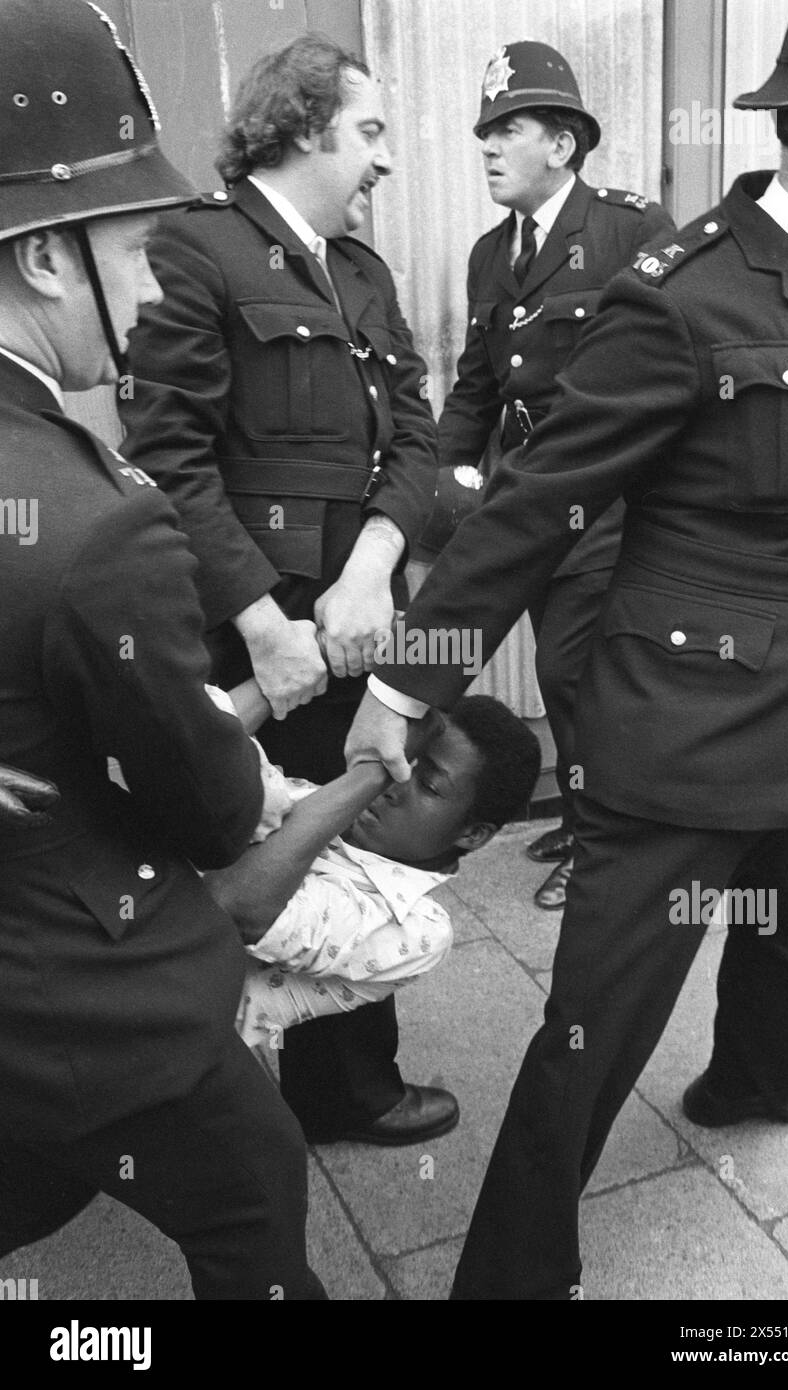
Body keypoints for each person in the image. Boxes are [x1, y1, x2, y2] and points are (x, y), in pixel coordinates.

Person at [346, 0, 788, 1299]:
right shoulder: (689, 291)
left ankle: (748, 1076)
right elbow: (539, 499)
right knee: (596, 1023)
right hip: (685, 724)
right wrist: (406, 679)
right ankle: (512, 1274)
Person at [0, 0, 324, 1301]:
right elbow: (206, 806)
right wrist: (247, 763)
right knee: (255, 1193)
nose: (147, 292)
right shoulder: (97, 521)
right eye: (135, 251)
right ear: (43, 256)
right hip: (85, 990)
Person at [119, 33, 453, 1148]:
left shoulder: (362, 272)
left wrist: (370, 570)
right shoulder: (196, 248)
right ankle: (219, 1087)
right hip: (257, 638)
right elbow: (167, 457)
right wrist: (265, 627)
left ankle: (340, 1084)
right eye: (369, 132)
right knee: (253, 852)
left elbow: (416, 431)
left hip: (356, 620)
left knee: (361, 832)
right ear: (305, 127)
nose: (385, 160)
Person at [428, 40, 673, 910]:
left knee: (578, 676)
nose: (488, 147)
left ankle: (608, 846)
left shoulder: (630, 231)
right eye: (485, 132)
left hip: (607, 504)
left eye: (509, 129)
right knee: (558, 673)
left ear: (562, 145)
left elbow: (671, 367)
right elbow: (476, 385)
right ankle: (582, 815)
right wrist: (444, 478)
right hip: (528, 500)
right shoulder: (490, 255)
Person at [204, 694, 540, 1058]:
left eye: (428, 785)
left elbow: (233, 903)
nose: (395, 782)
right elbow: (188, 745)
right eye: (403, 757)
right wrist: (271, 687)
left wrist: (374, 772)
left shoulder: (417, 929)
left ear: (474, 834)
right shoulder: (324, 804)